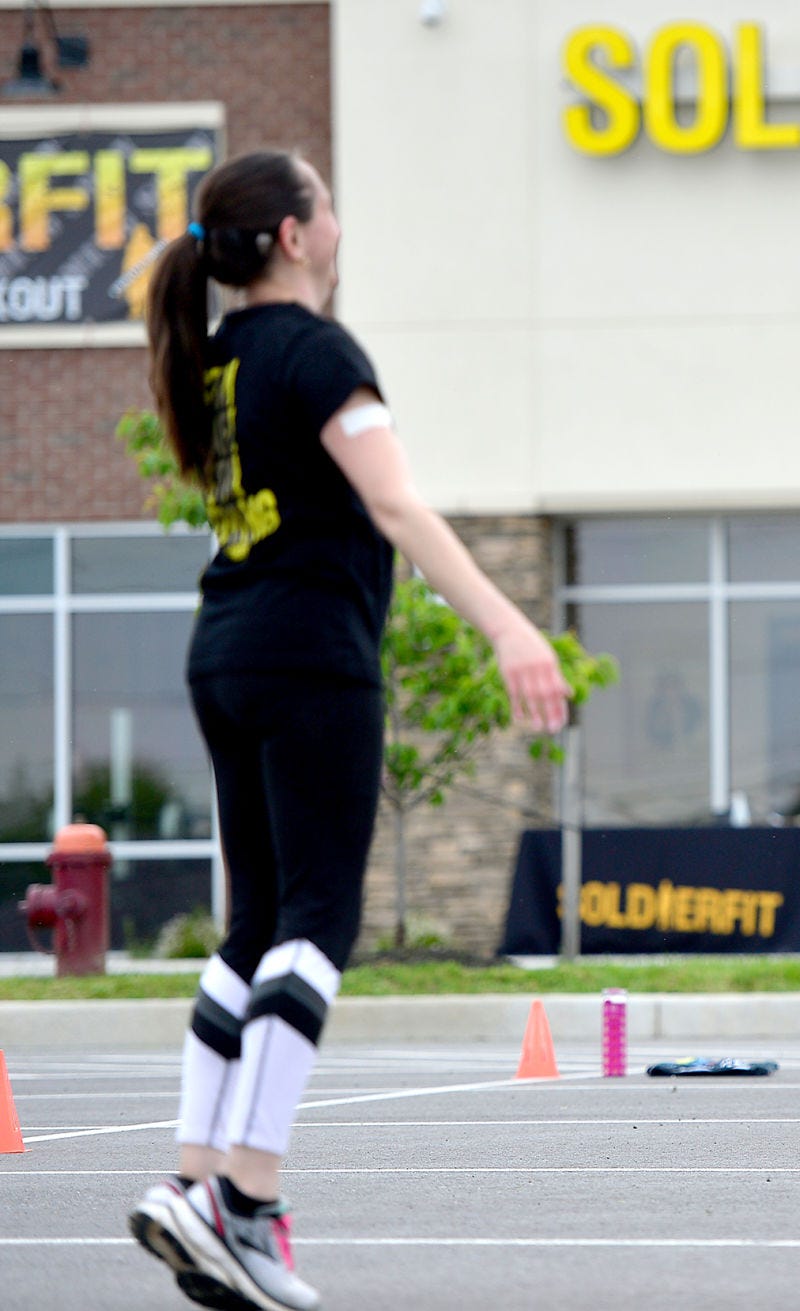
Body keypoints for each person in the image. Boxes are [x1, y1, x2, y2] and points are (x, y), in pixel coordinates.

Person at [126, 150, 570, 1311]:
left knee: (258, 923)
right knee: (320, 920)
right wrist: (509, 627)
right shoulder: (316, 350)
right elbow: (392, 501)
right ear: (292, 234)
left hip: (224, 648)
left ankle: (192, 1178)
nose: (338, 218)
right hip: (307, 652)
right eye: (325, 202)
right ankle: (247, 1199)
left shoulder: (213, 356)